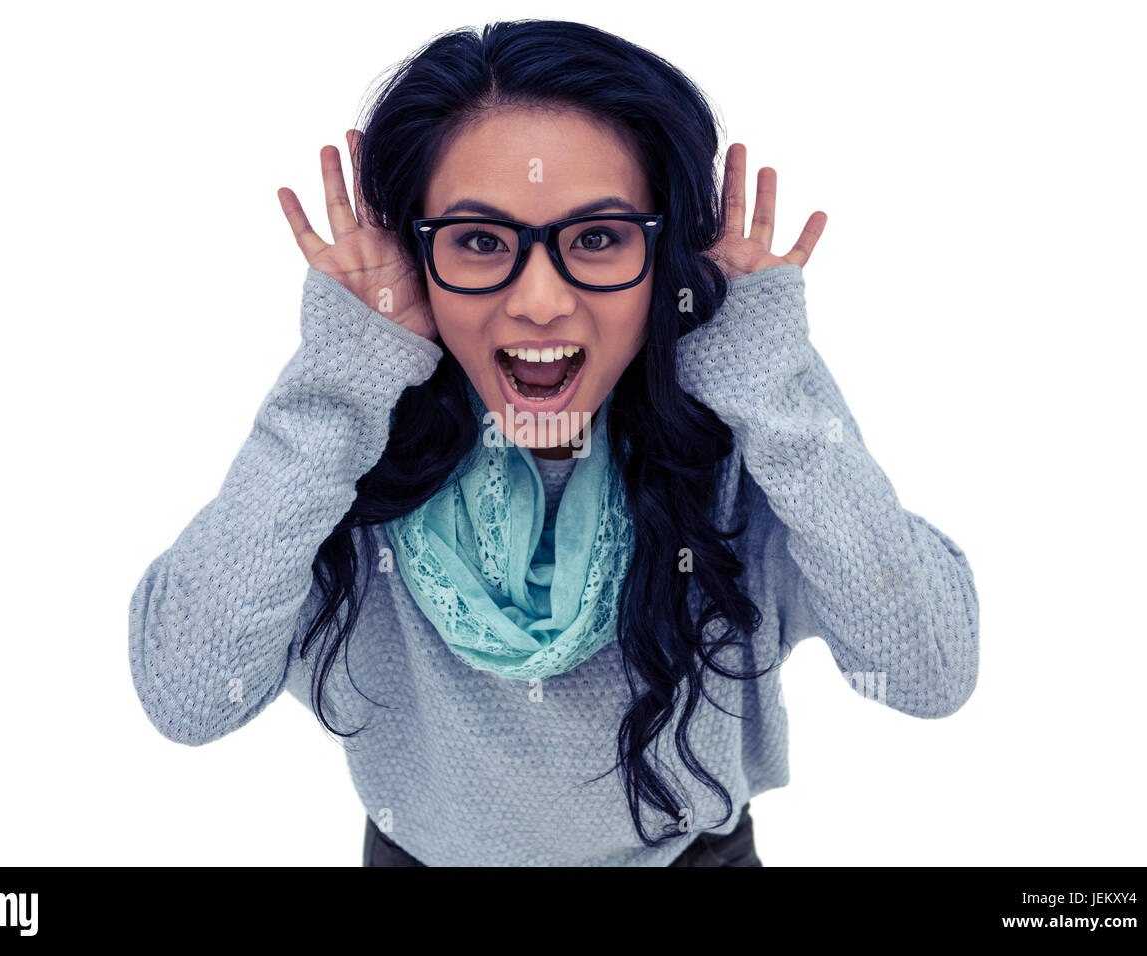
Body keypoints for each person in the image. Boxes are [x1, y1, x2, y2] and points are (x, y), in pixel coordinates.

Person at [128, 19, 979, 866]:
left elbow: (931, 671)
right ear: (415, 259)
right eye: (480, 241)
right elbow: (187, 696)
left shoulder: (734, 447)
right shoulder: (353, 449)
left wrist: (771, 379)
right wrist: (340, 382)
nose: (539, 299)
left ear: (664, 256)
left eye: (599, 238)